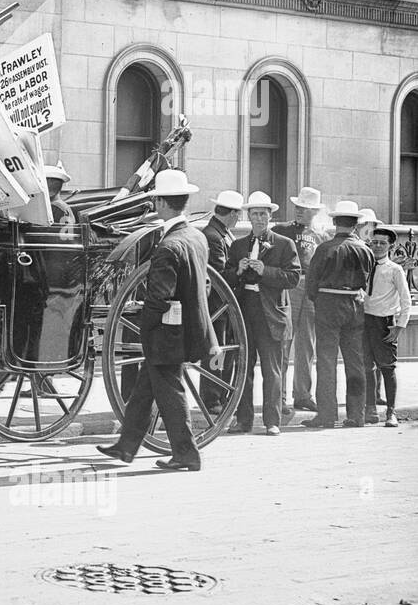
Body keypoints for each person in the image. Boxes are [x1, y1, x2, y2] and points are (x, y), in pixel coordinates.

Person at [97, 170, 221, 471]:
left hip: (167, 334)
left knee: (170, 391)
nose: (154, 207)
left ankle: (186, 453)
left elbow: (160, 297)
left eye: (156, 201)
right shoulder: (196, 236)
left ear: (163, 204)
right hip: (189, 328)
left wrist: (145, 322)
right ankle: (126, 447)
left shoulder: (168, 246)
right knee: (145, 389)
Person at [223, 192, 301, 436]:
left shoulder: (284, 244)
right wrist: (238, 270)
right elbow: (223, 280)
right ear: (248, 216)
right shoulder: (237, 246)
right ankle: (242, 421)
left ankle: (272, 421)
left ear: (270, 216)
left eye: (263, 214)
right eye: (254, 214)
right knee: (243, 369)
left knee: (272, 369)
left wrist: (265, 271)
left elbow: (293, 277)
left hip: (272, 315)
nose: (259, 219)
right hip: (245, 312)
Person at [302, 200, 374, 429]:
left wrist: (320, 299)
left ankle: (327, 415)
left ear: (335, 222)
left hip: (328, 304)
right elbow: (369, 284)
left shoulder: (324, 249)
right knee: (355, 362)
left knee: (326, 361)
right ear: (356, 224)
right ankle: (356, 415)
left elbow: (311, 284)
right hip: (355, 304)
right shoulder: (366, 250)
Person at [273, 187, 331, 414]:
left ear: (314, 211)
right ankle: (279, 396)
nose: (299, 211)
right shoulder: (281, 230)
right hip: (288, 285)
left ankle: (303, 395)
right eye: (298, 207)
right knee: (283, 341)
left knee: (307, 344)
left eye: (304, 208)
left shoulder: (321, 236)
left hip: (311, 287)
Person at [200, 189, 243, 416]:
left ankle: (220, 394)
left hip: (223, 307)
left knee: (222, 352)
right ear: (233, 214)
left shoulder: (220, 232)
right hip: (217, 306)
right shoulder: (214, 236)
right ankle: (211, 398)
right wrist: (240, 270)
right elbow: (220, 276)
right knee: (216, 354)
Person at [362, 226, 408, 428]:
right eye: (375, 242)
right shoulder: (365, 265)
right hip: (364, 321)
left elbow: (406, 300)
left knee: (387, 368)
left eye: (382, 243)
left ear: (391, 246)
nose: (378, 246)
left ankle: (391, 412)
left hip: (385, 323)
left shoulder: (395, 269)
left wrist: (399, 326)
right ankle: (370, 410)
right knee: (366, 367)